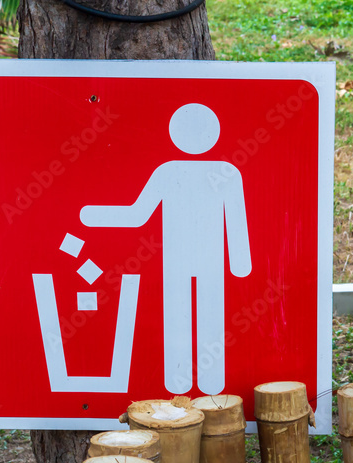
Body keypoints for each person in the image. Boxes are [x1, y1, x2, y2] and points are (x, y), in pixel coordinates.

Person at [80, 103, 251, 394]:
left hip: (191, 260)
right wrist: (92, 215)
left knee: (187, 316)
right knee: (188, 316)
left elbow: (235, 219)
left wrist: (90, 215)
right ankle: (190, 382)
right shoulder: (212, 171)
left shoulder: (205, 172)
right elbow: (139, 214)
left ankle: (189, 381)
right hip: (190, 261)